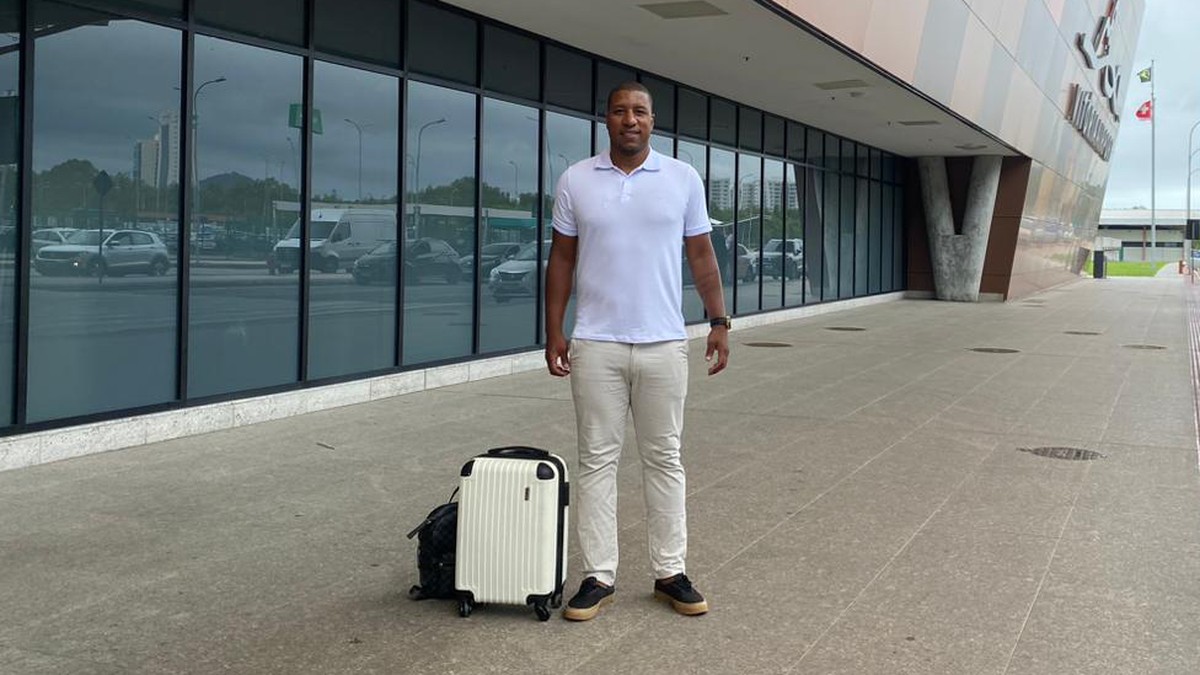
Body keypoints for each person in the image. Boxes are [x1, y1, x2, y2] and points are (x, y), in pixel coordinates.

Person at [544, 81, 730, 621]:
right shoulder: (577, 179)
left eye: (641, 112)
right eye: (621, 111)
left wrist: (718, 321)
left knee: (664, 459)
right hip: (595, 343)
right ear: (606, 119)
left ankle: (670, 572)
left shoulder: (681, 178)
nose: (631, 119)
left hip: (664, 343)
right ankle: (598, 576)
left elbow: (701, 254)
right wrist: (555, 330)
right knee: (597, 461)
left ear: (653, 121)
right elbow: (561, 260)